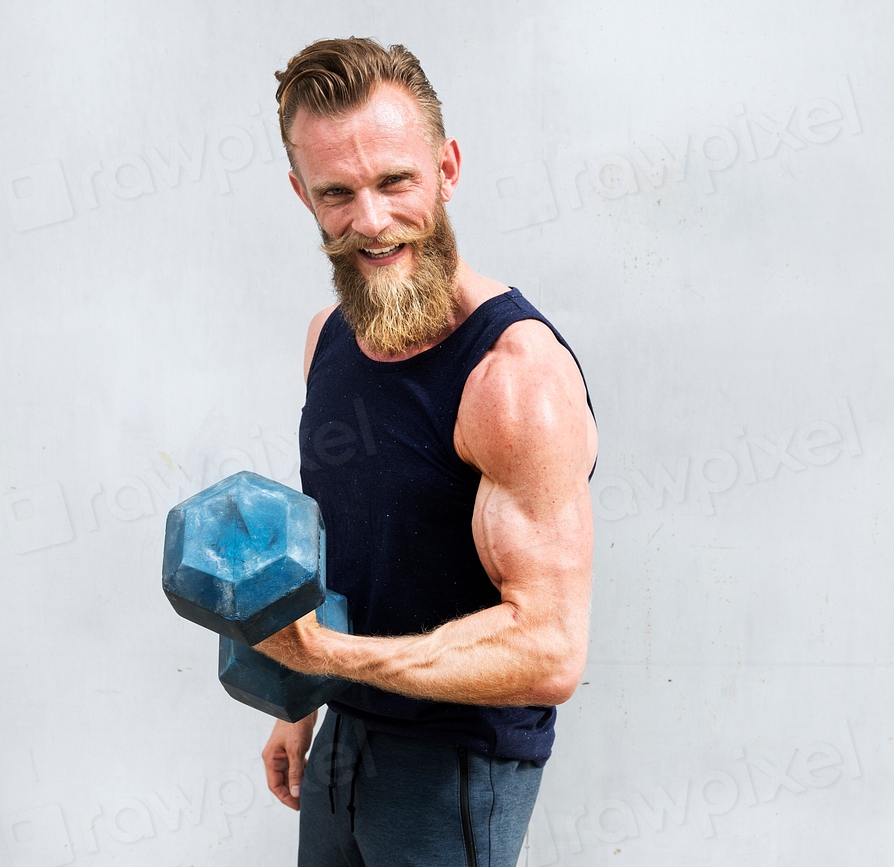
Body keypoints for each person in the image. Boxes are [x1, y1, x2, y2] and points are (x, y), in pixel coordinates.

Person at [251, 37, 597, 867]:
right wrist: (301, 698)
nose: (369, 220)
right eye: (338, 192)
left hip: (456, 766)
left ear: (446, 168)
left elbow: (550, 647)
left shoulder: (515, 378)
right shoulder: (326, 340)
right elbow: (347, 551)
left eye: (395, 180)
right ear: (303, 195)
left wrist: (330, 660)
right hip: (346, 729)